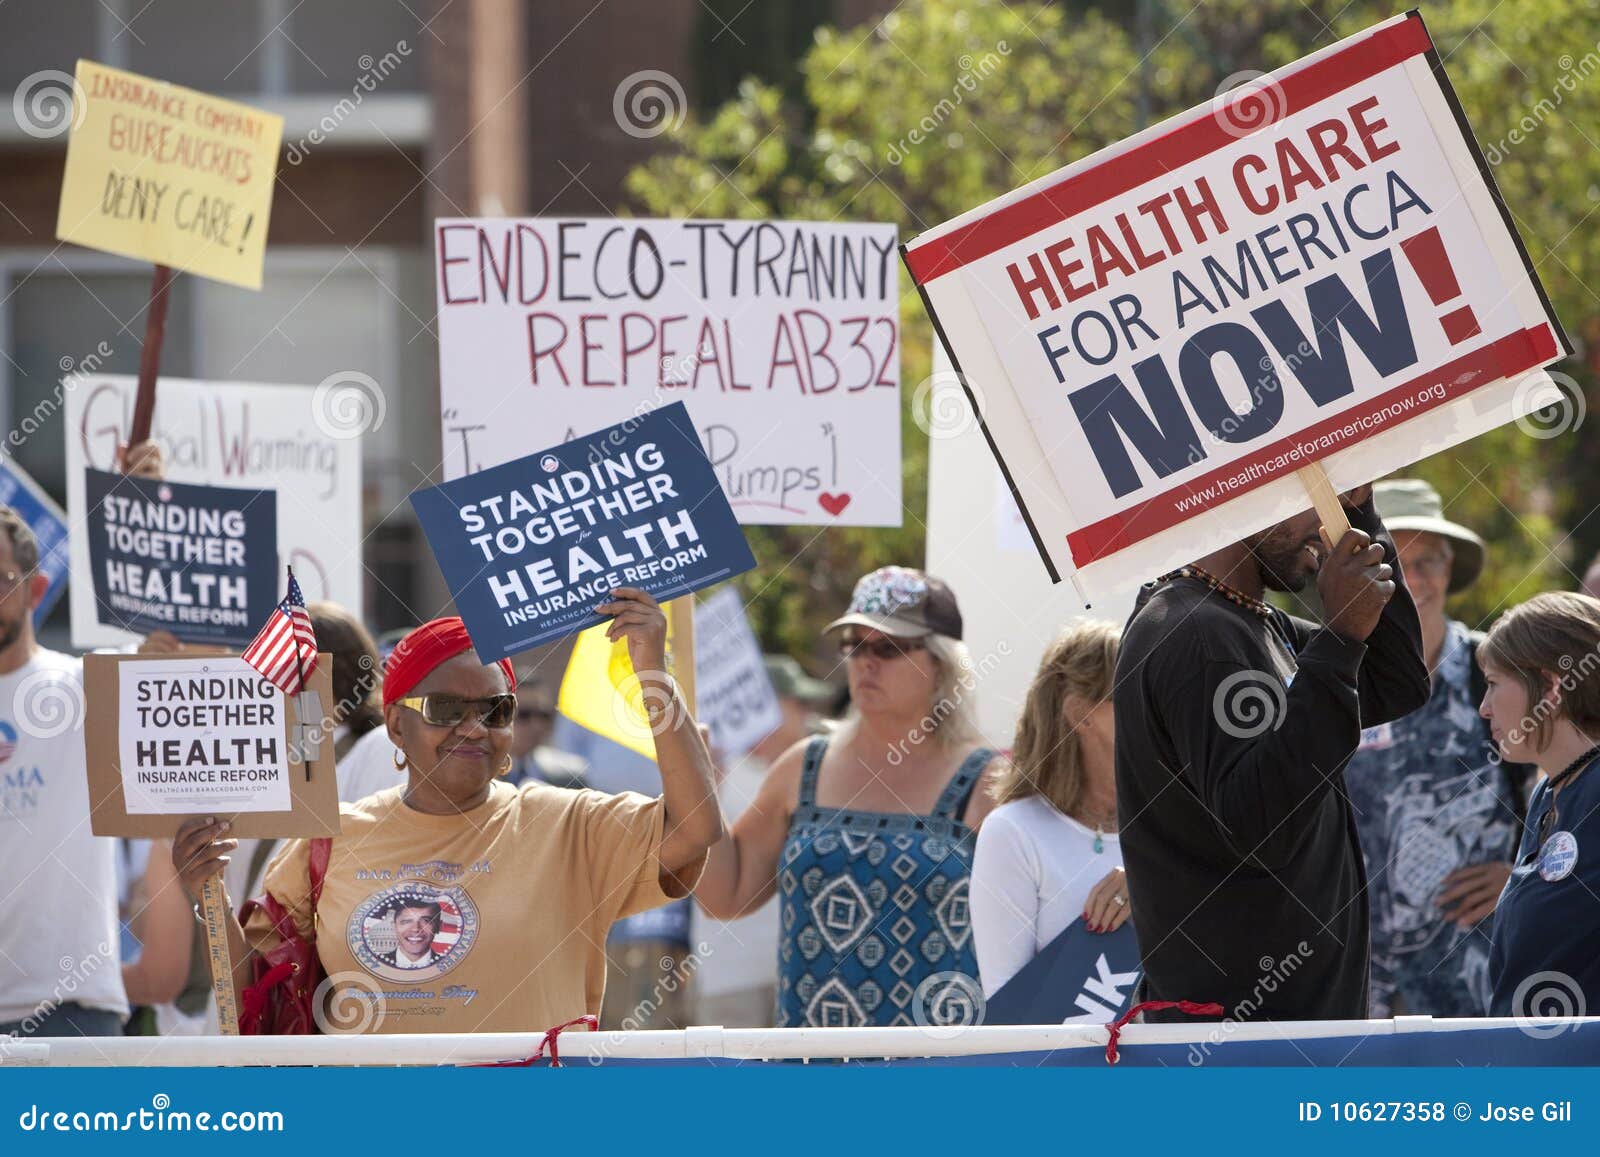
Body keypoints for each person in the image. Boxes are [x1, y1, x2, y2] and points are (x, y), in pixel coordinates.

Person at [172, 588, 722, 1033]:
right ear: (395, 725)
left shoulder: (569, 824)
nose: (473, 727)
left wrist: (652, 671)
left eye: (495, 709)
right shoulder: (329, 841)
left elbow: (697, 827)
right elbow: (245, 998)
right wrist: (209, 895)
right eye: (445, 708)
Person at [1115, 485, 1429, 1022]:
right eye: (1314, 495)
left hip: (1293, 1032)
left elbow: (1396, 679)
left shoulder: (1245, 620)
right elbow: (1260, 826)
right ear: (1252, 489)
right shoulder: (1195, 635)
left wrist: (1357, 515)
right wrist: (1338, 640)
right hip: (1241, 1043)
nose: (1322, 529)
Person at [695, 567, 1005, 1028]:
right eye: (853, 645)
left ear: (941, 664)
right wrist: (693, 786)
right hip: (810, 1071)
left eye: (889, 647)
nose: (866, 661)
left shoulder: (988, 781)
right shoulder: (803, 767)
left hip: (937, 1073)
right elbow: (726, 896)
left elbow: (1044, 912)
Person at [1344, 480, 1531, 1017]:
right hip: (1358, 990)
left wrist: (1522, 877)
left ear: (1449, 570)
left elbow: (1574, 788)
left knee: (1483, 1103)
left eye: (1426, 560)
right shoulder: (1329, 679)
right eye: (1396, 561)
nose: (1412, 579)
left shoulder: (1493, 673)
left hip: (1477, 983)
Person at [0, 508, 128, 1037]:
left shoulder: (85, 687)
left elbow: (184, 660)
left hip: (72, 1015)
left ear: (37, 589)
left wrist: (142, 502)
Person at [971, 621, 1129, 999]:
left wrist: (1154, 889)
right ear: (1082, 714)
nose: (1157, 708)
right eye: (1135, 693)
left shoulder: (1175, 823)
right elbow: (1010, 1013)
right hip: (1066, 1059)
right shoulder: (1012, 832)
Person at [691, 654, 834, 1027]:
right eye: (797, 702)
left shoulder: (820, 773)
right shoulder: (716, 772)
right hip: (732, 977)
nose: (807, 712)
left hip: (805, 974)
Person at [1480, 592, 1600, 1018]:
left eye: (1493, 684)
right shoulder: (1550, 791)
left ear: (1550, 687)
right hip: (1532, 1076)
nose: (1484, 707)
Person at [506, 677, 588, 790]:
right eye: (524, 714)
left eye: (544, 715)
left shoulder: (570, 777)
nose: (536, 725)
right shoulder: (483, 776)